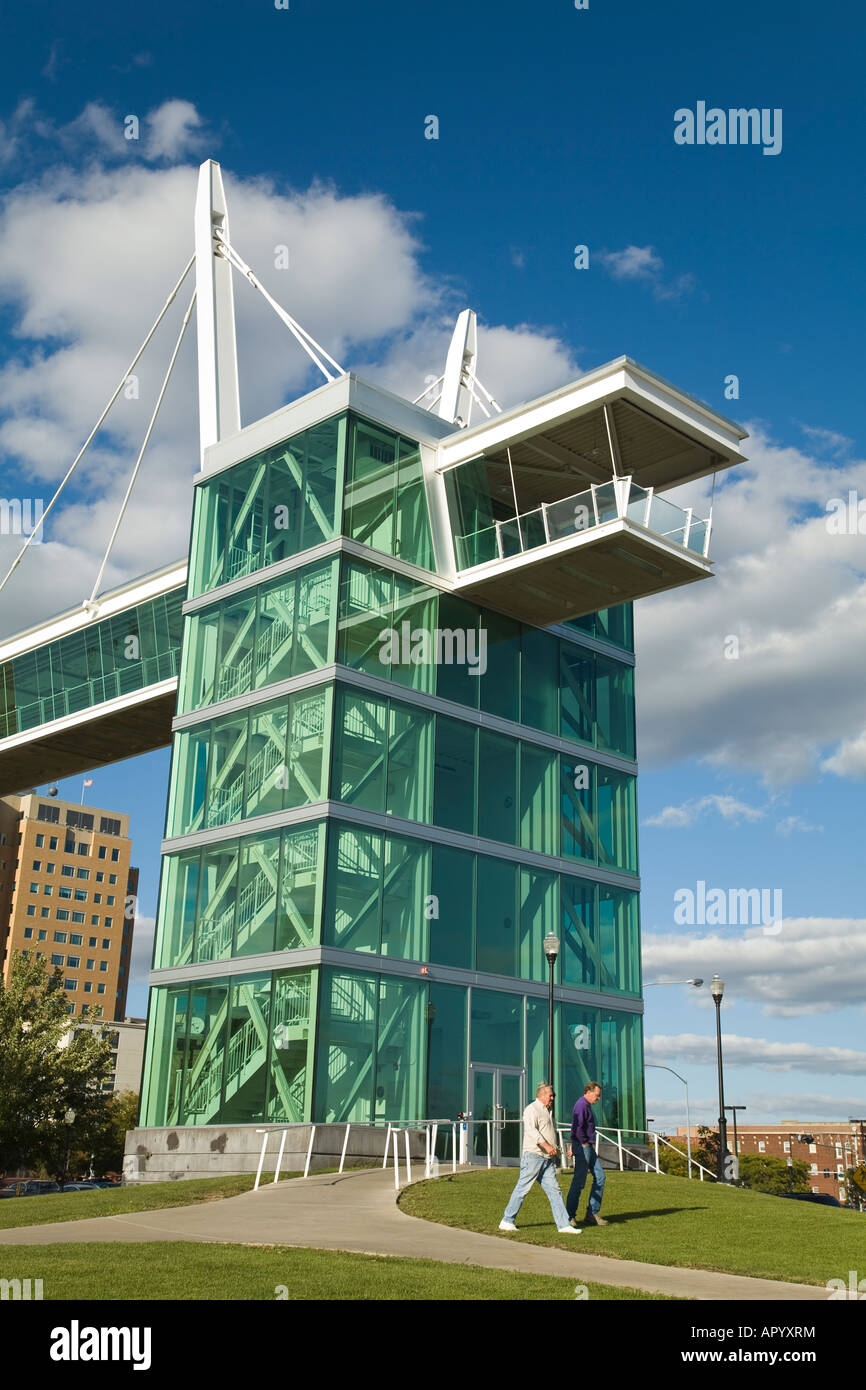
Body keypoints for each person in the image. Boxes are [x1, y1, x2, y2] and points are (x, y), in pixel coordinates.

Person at [499, 1083, 580, 1234]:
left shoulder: (548, 1112)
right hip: (534, 1156)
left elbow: (548, 1133)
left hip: (547, 1159)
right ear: (541, 1096)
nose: (553, 1098)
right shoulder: (532, 1109)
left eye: (553, 1095)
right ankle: (507, 1220)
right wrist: (546, 1146)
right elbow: (531, 1130)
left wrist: (555, 1148)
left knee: (555, 1190)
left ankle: (563, 1225)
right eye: (550, 1095)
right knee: (522, 1188)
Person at [566, 1080, 608, 1227]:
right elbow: (576, 1127)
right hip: (584, 1146)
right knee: (579, 1182)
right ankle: (569, 1216)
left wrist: (577, 1145)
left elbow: (578, 1128)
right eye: (597, 1095)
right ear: (588, 1092)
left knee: (600, 1176)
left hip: (586, 1146)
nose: (598, 1098)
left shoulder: (586, 1105)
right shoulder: (581, 1105)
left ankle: (592, 1213)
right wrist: (582, 1144)